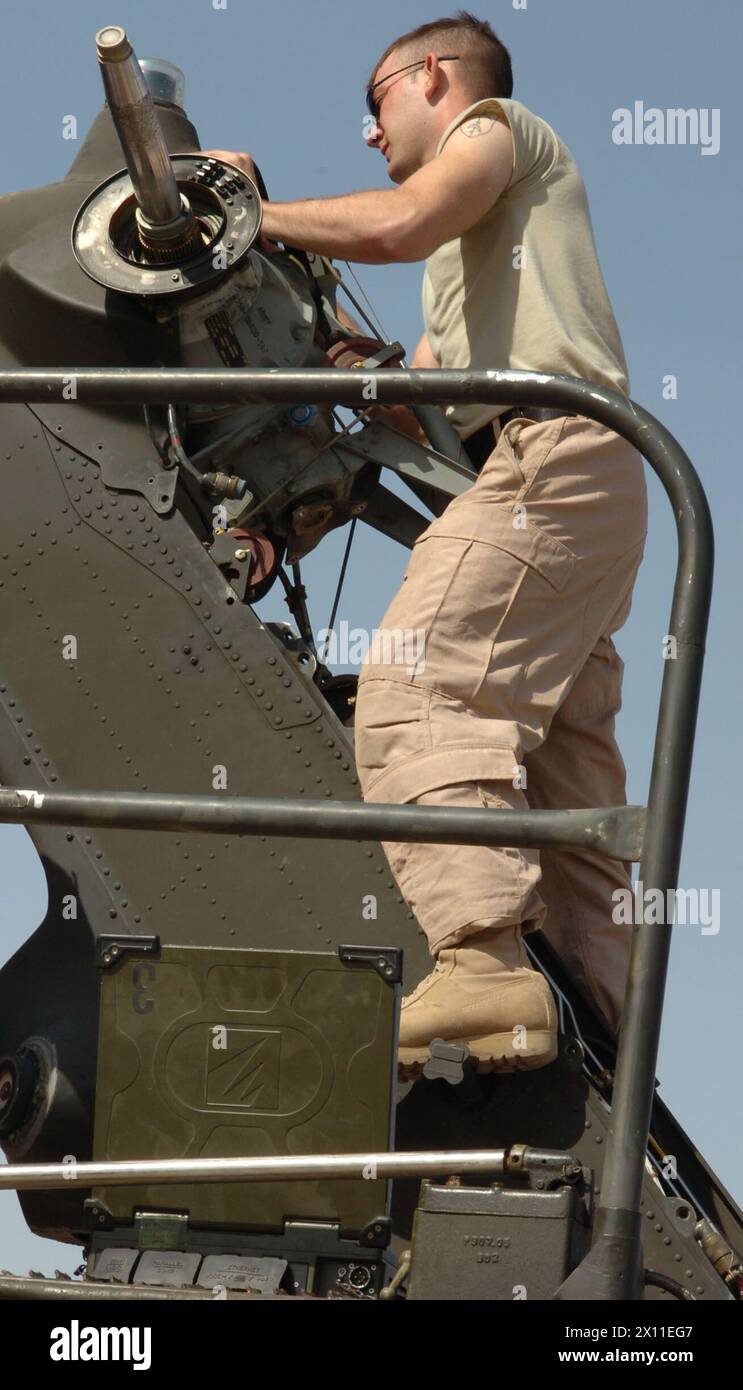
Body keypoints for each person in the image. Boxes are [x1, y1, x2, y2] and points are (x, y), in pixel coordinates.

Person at [205, 10, 648, 1077]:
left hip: (554, 457)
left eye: (375, 103)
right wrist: (268, 512)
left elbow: (399, 221)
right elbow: (415, 407)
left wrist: (255, 219)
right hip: (571, 485)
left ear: (435, 79)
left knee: (417, 688)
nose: (367, 132)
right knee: (557, 787)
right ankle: (602, 1034)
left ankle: (486, 973)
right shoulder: (466, 267)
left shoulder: (495, 131)